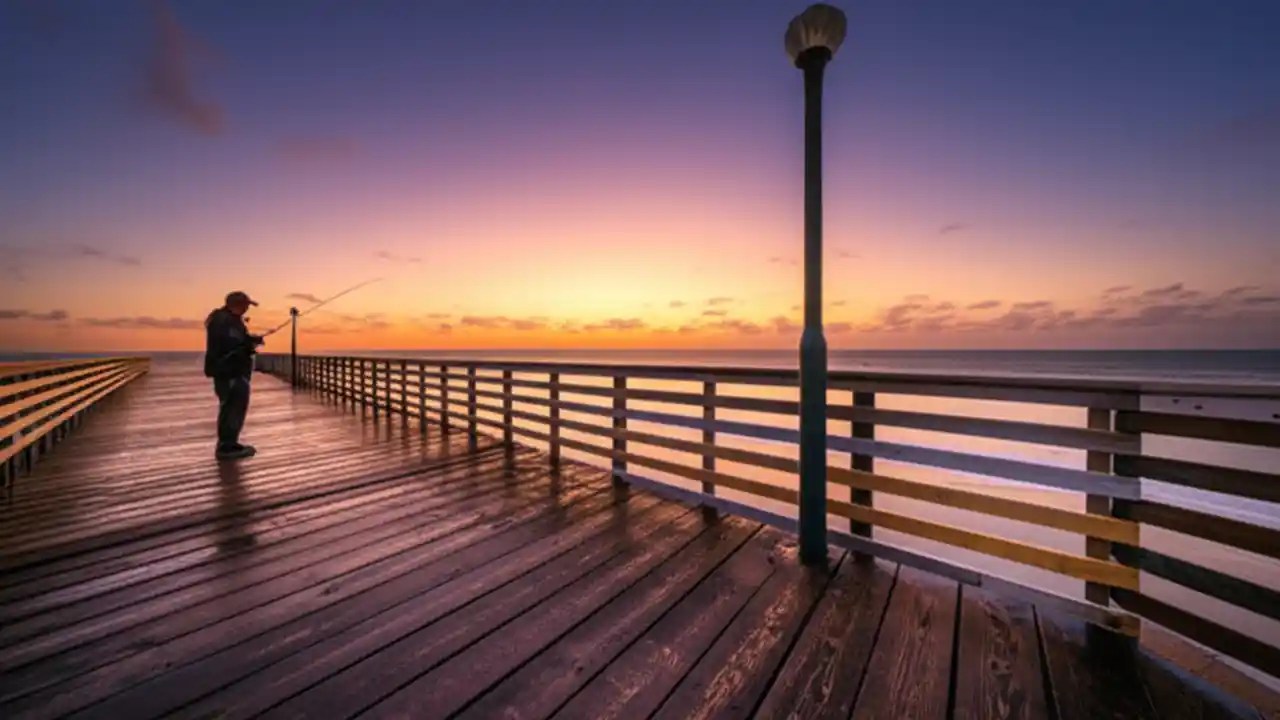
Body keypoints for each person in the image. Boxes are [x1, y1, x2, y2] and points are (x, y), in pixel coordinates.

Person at [204, 291, 264, 460]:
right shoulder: (225, 321)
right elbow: (232, 346)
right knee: (233, 408)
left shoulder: (225, 320)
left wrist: (251, 340)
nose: (247, 309)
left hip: (230, 371)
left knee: (231, 408)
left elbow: (235, 342)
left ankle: (229, 443)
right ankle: (227, 447)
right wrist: (248, 345)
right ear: (237, 304)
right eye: (246, 305)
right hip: (230, 372)